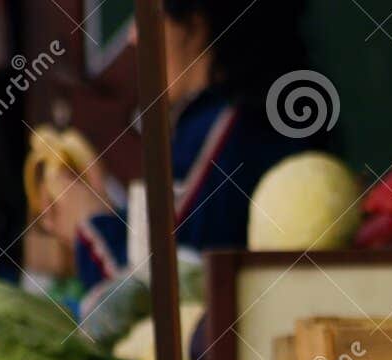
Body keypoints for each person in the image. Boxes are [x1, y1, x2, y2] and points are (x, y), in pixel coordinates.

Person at [47, 0, 318, 288]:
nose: (134, 37)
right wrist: (105, 208)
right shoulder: (252, 116)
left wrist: (88, 223)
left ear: (196, 26)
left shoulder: (230, 129)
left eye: (148, 17)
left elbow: (158, 288)